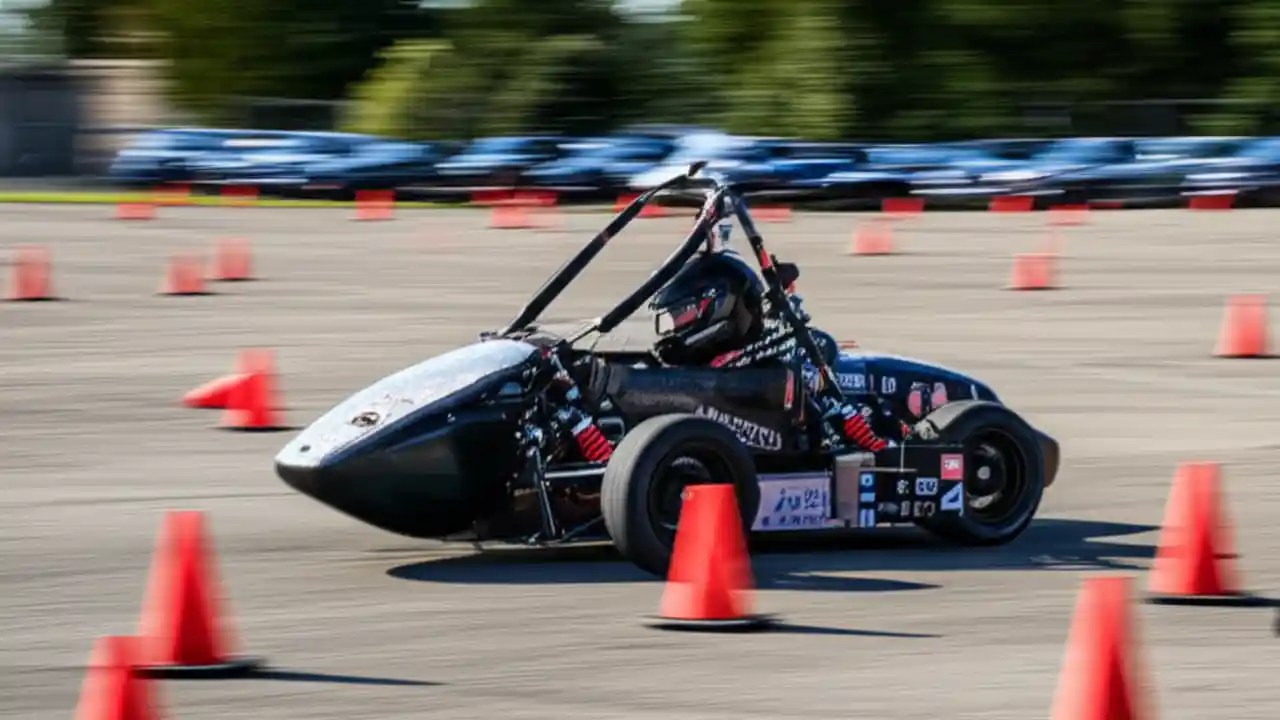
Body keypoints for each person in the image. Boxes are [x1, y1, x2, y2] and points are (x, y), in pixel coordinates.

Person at [648, 249, 891, 452]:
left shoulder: (773, 366)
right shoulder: (714, 369)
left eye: (679, 317)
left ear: (719, 308)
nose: (670, 330)